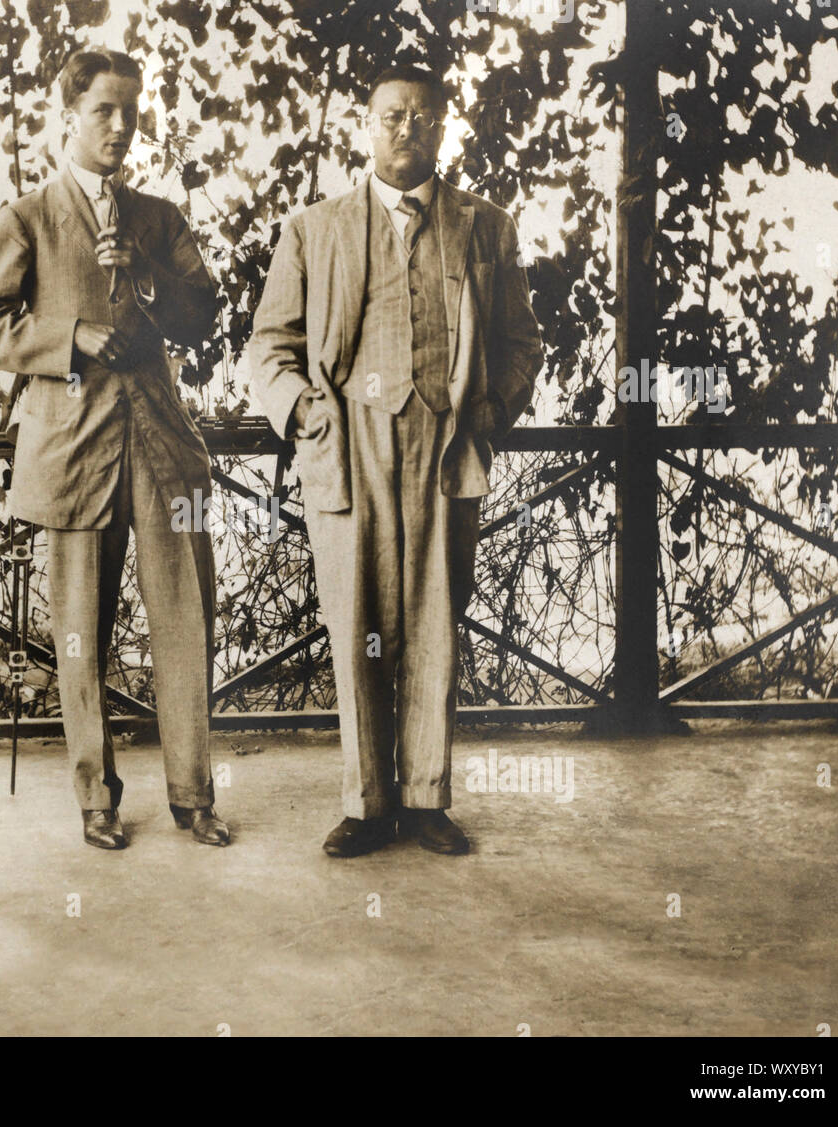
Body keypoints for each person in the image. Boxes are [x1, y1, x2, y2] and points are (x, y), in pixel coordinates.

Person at [246, 63, 544, 858]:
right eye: (389, 114)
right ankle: (367, 801)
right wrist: (302, 410)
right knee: (357, 623)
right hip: (349, 445)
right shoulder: (314, 229)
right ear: (366, 125)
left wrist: (487, 416)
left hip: (445, 447)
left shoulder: (486, 225)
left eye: (420, 114)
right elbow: (268, 346)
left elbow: (523, 344)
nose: (404, 127)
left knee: (434, 622)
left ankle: (427, 799)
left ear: (442, 125)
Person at [0, 48, 229, 850]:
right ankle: (95, 798)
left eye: (130, 111)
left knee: (186, 620)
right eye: (104, 110)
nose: (121, 125)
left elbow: (202, 316)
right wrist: (71, 335)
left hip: (161, 446)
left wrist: (144, 276)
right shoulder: (28, 218)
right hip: (73, 450)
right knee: (80, 631)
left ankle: (194, 796)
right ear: (68, 114)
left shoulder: (159, 218)